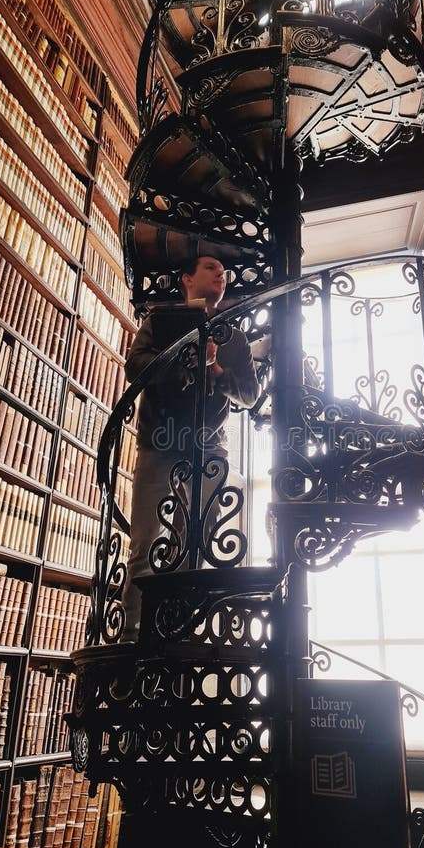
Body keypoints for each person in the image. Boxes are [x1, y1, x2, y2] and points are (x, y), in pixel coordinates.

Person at [121, 255, 261, 641]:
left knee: (195, 542)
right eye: (212, 268)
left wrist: (215, 370)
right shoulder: (161, 321)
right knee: (145, 542)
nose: (223, 275)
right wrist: (188, 362)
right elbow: (136, 366)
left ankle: (178, 631)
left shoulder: (233, 337)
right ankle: (134, 635)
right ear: (186, 278)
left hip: (208, 450)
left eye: (225, 272)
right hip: (159, 443)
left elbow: (250, 395)